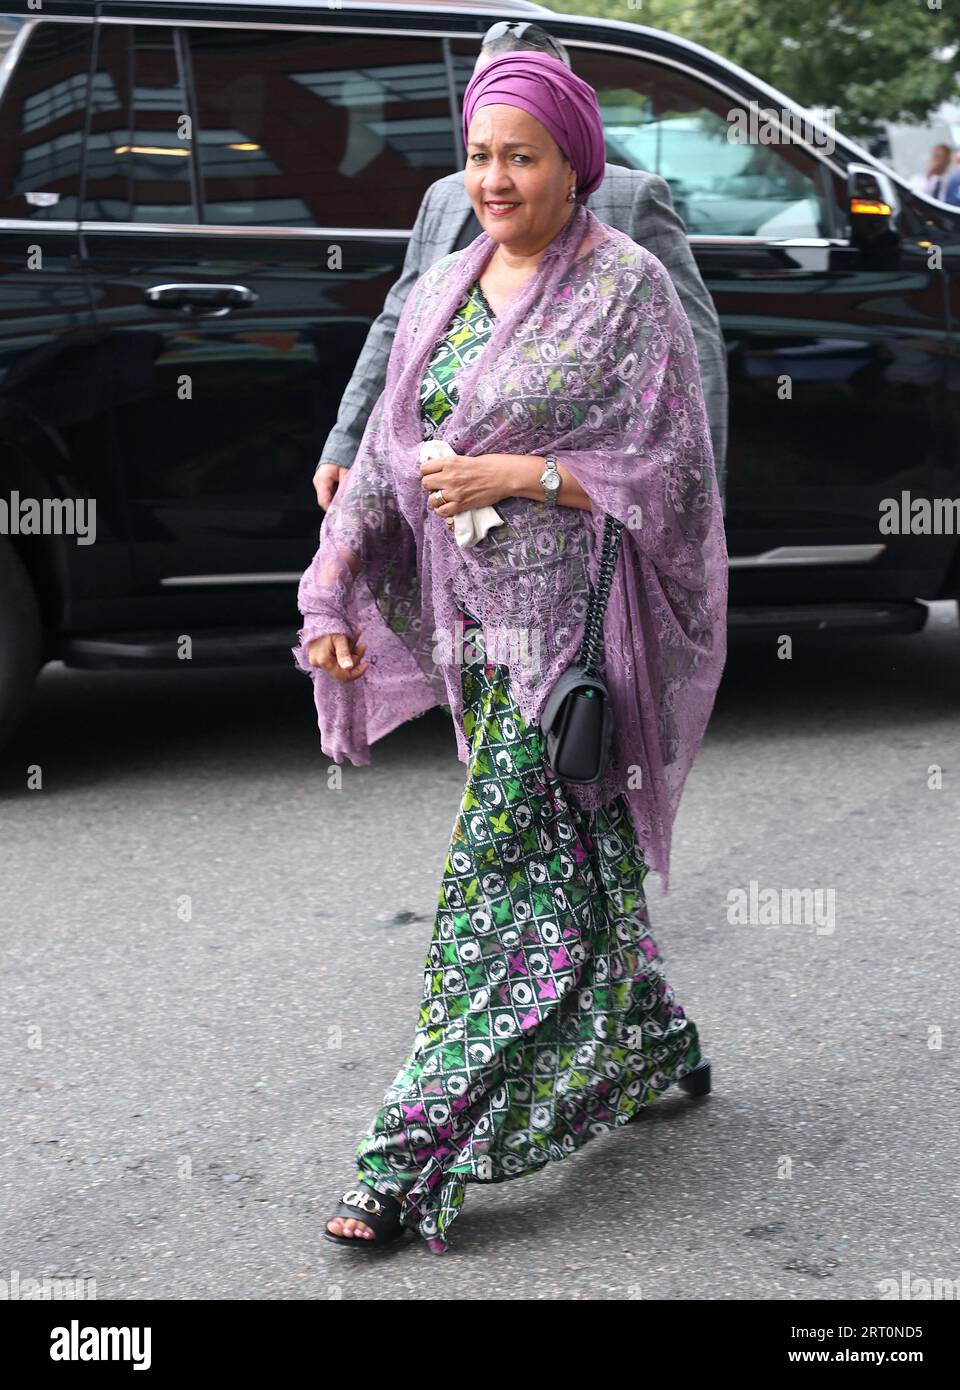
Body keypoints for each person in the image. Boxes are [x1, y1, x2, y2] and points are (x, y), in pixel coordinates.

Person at [294, 50, 728, 1256]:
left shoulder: (626, 287)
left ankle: (403, 1159)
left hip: (584, 642)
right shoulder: (445, 283)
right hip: (479, 640)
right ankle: (654, 1038)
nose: (492, 177)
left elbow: (677, 472)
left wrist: (532, 474)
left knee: (494, 886)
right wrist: (329, 590)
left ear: (572, 165)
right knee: (577, 862)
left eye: (519, 155)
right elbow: (387, 460)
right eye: (479, 154)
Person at [313, 22, 728, 516]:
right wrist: (347, 441)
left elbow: (691, 349)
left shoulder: (630, 200)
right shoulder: (446, 197)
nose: (505, 97)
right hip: (443, 508)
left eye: (526, 83)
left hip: (575, 518)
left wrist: (698, 491)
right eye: (490, 84)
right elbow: (397, 328)